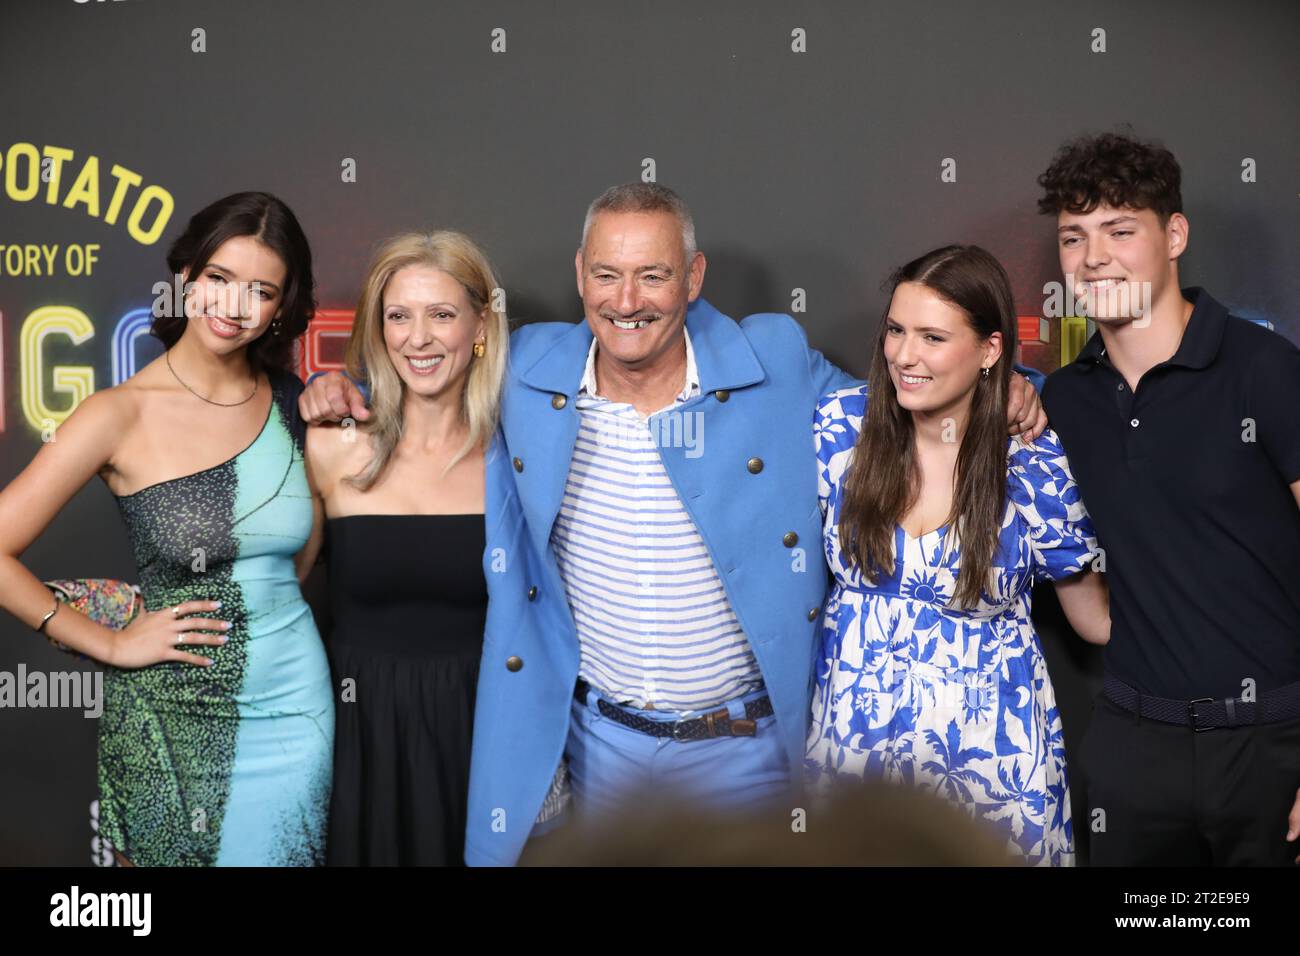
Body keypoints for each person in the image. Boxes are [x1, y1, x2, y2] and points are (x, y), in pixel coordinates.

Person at [298, 182, 1049, 866]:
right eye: (606, 275)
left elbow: (901, 401)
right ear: (579, 275)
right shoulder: (530, 369)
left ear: (692, 279)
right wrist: (334, 385)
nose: (627, 300)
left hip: (746, 752)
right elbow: (427, 364)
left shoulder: (770, 360)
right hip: (596, 749)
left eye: (653, 275)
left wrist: (1012, 383)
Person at [0, 192, 332, 865]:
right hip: (166, 717)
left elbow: (303, 556)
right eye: (219, 279)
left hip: (294, 708)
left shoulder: (299, 405)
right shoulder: (117, 413)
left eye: (260, 291)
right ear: (185, 275)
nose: (234, 306)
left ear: (281, 308)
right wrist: (113, 644)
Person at [1037, 132, 1300, 866]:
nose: (1094, 257)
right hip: (1132, 746)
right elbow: (1090, 608)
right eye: (1073, 236)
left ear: (1173, 235)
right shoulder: (1063, 398)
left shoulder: (1265, 370)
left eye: (1120, 230)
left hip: (1272, 744)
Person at [805, 244, 1110, 867]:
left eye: (932, 337)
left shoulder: (1030, 460)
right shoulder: (839, 428)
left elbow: (1095, 621)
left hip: (992, 757)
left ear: (991, 350)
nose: (904, 355)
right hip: (854, 741)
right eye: (895, 330)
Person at [298, 231, 508, 865]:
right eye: (398, 316)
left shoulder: (517, 460)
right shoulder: (330, 448)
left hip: (482, 732)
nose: (418, 338)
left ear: (479, 328)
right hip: (357, 735)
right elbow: (274, 593)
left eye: (441, 314)